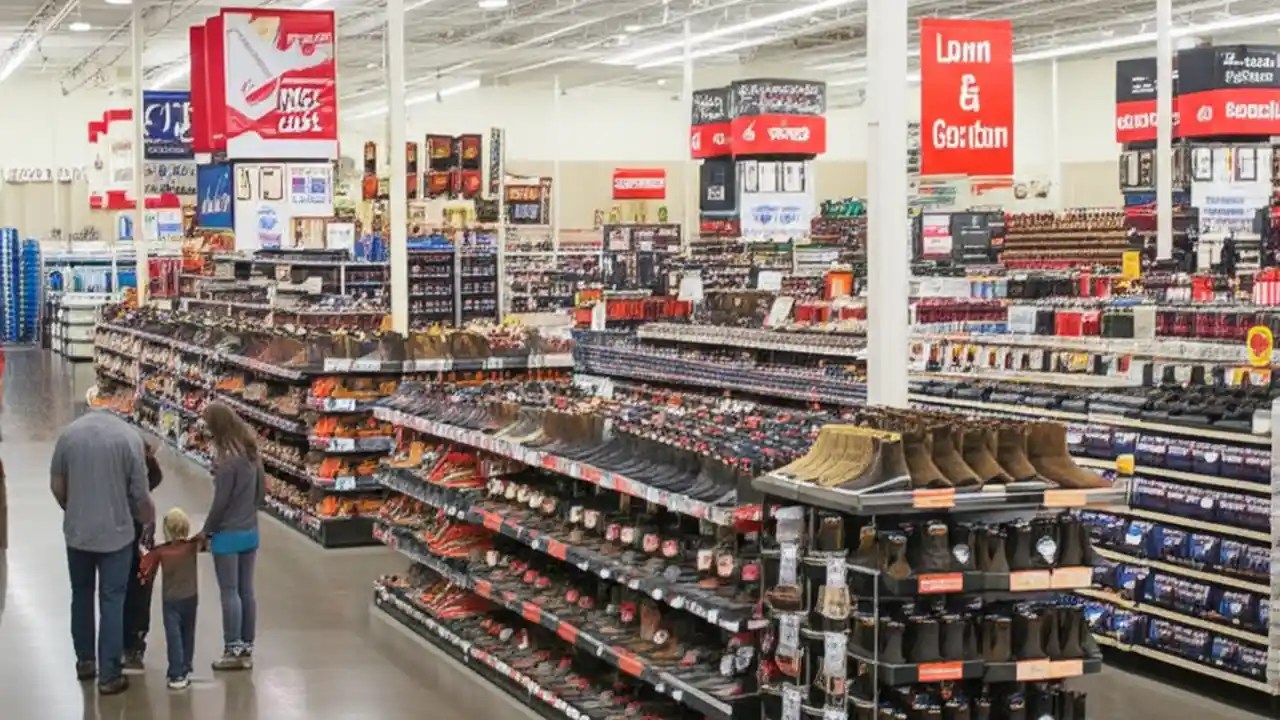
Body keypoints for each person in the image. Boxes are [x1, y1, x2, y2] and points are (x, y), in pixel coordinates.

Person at [50, 396, 155, 694]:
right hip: (117, 535)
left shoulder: (68, 436)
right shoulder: (129, 439)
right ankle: (109, 675)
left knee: (81, 595)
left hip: (78, 533)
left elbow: (56, 485)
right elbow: (140, 493)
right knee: (112, 600)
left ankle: (85, 661)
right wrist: (145, 521)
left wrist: (72, 508)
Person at [199, 402, 264, 671]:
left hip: (228, 534)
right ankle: (247, 646)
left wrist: (206, 531)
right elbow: (261, 493)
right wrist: (248, 513)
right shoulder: (251, 453)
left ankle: (232, 648)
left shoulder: (226, 460)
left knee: (229, 592)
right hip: (250, 530)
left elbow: (220, 502)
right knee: (247, 590)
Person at [139, 507, 201, 690]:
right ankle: (185, 666)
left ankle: (176, 674)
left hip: (171, 601)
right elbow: (208, 540)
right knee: (188, 633)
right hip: (191, 597)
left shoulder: (161, 551)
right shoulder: (192, 547)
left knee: (173, 636)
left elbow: (146, 569)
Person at [123, 443, 165, 670]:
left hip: (126, 538)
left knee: (123, 591)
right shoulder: (146, 500)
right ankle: (135, 643)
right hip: (143, 541)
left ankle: (127, 643)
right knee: (140, 592)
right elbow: (157, 477)